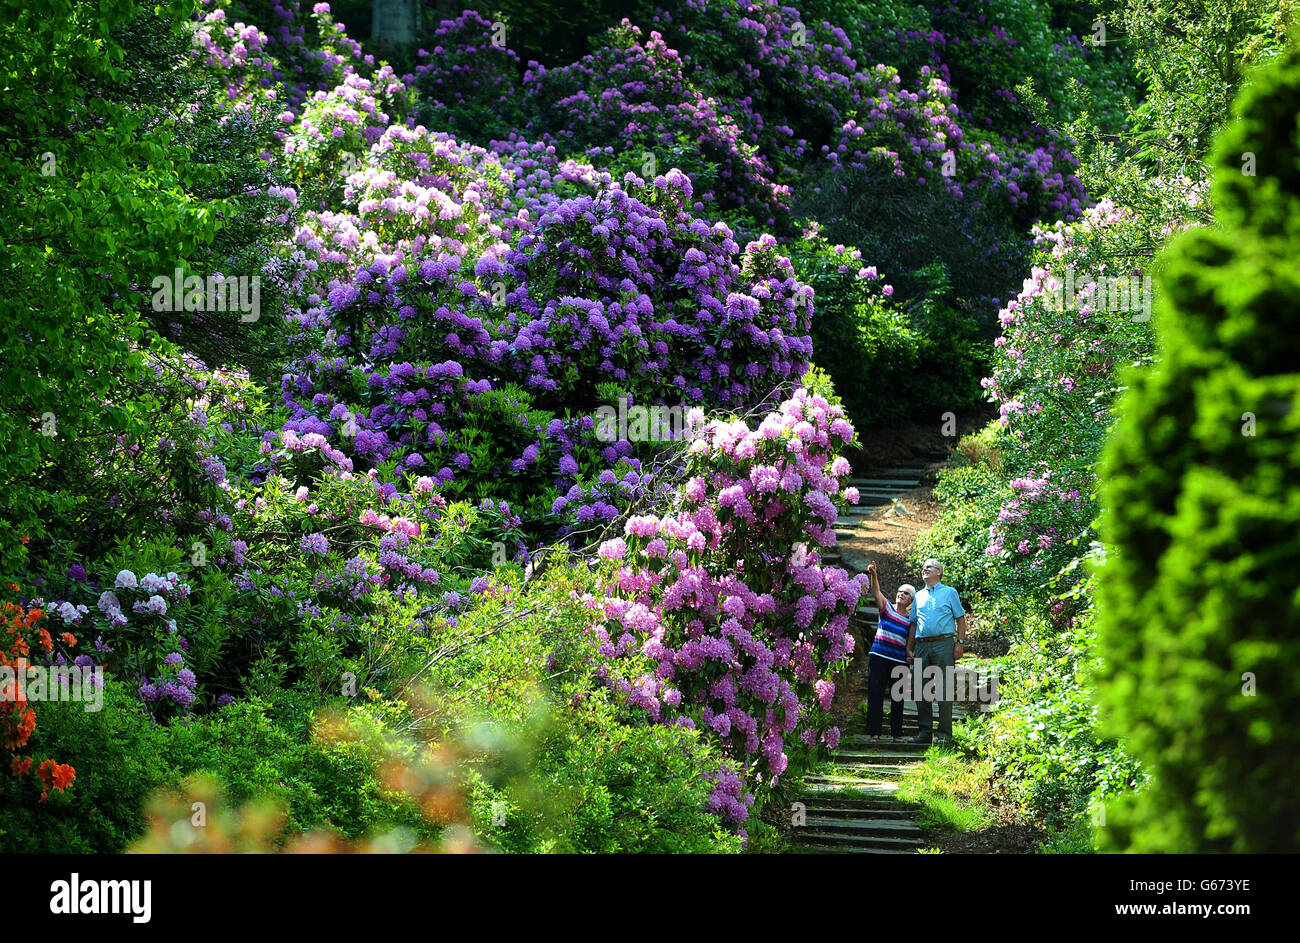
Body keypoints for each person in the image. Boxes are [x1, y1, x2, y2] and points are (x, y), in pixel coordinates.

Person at [905, 558, 968, 744]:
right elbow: (914, 623)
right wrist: (909, 647)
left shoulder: (950, 592)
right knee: (919, 689)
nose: (924, 569)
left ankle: (944, 735)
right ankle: (924, 733)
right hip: (922, 645)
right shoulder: (919, 596)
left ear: (939, 572)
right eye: (923, 567)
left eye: (929, 567)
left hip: (944, 644)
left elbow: (961, 618)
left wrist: (960, 643)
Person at [864, 561, 915, 743]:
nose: (902, 594)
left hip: (899, 661)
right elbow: (876, 592)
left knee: (897, 698)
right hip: (878, 657)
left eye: (906, 593)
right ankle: (874, 733)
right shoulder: (887, 608)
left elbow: (911, 641)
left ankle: (897, 734)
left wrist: (910, 655)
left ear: (911, 600)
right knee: (875, 694)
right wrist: (874, 575)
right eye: (900, 591)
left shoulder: (911, 619)